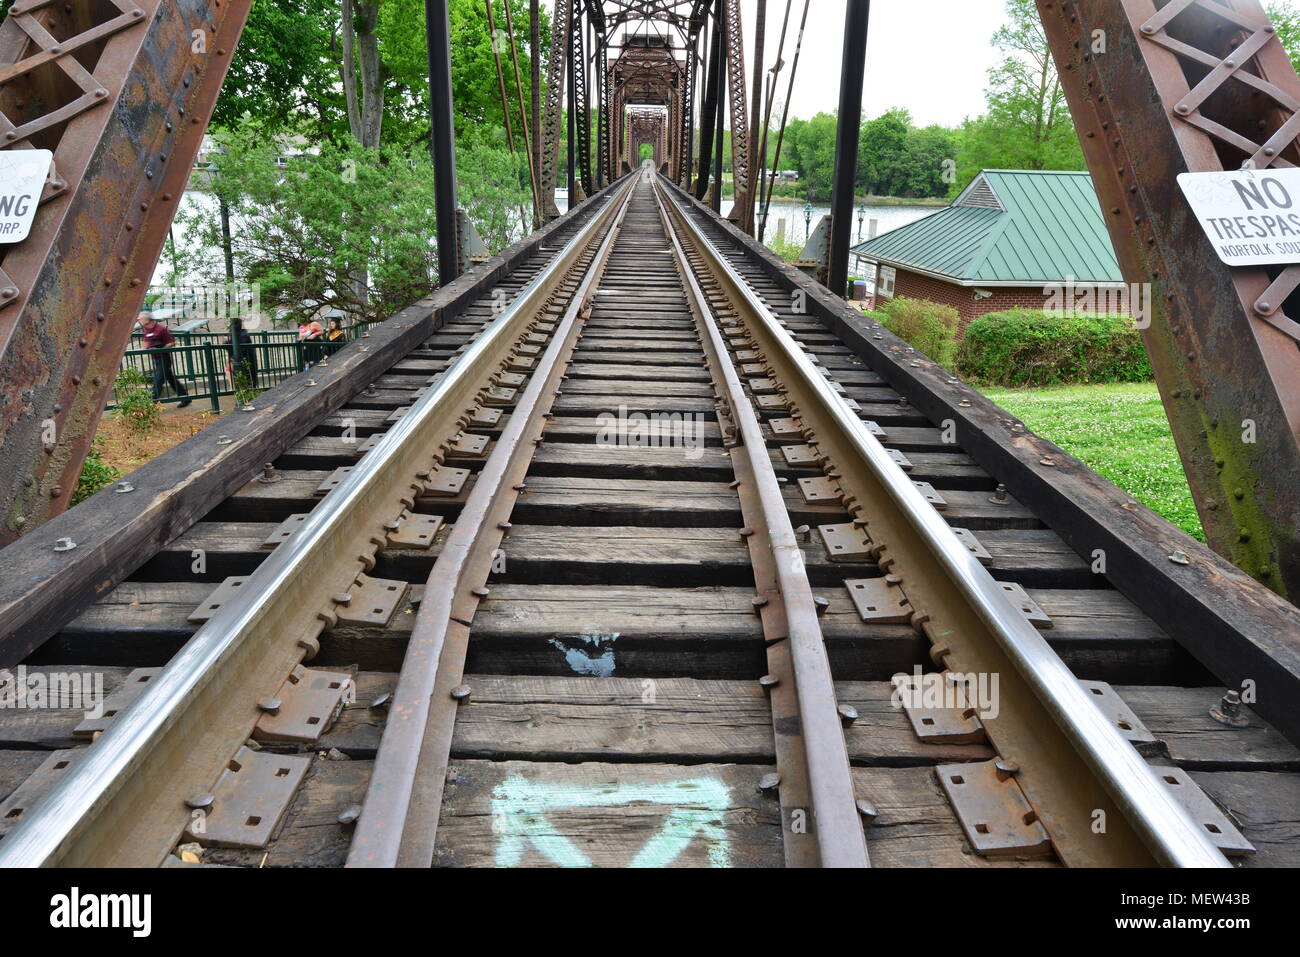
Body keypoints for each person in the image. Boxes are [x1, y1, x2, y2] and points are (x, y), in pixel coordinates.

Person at [139, 310, 190, 407]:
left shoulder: (161, 329)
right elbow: (144, 346)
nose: (139, 319)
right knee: (170, 378)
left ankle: (150, 403)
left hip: (164, 358)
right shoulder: (146, 330)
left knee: (158, 380)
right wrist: (149, 348)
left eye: (141, 318)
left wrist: (160, 349)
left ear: (147, 319)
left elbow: (171, 343)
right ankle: (185, 398)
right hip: (156, 359)